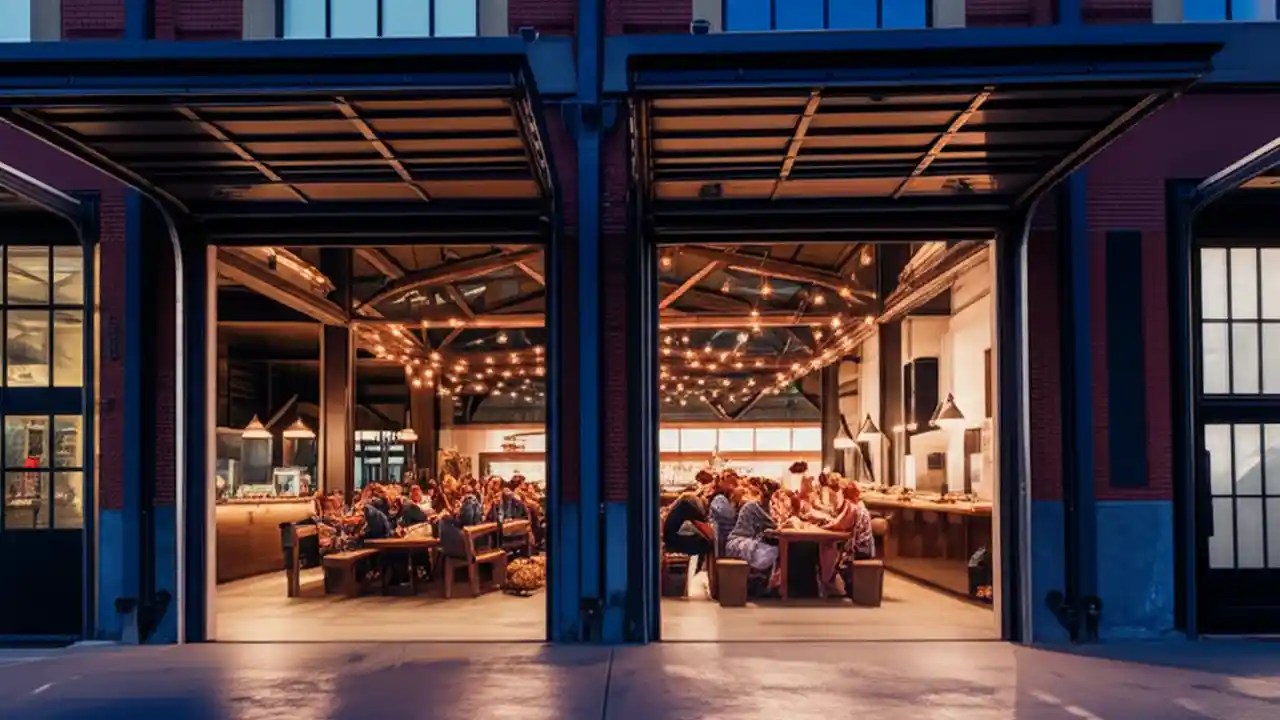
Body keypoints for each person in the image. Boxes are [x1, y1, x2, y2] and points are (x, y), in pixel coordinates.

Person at [819, 482, 876, 597]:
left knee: (836, 557)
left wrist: (823, 526)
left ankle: (842, 588)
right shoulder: (859, 505)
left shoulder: (853, 507)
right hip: (866, 546)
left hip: (860, 548)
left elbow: (840, 524)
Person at [724, 488, 779, 589]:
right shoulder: (752, 506)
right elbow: (774, 525)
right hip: (740, 540)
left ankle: (773, 583)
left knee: (779, 550)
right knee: (774, 552)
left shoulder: (768, 509)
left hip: (752, 540)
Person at [661, 491, 713, 572]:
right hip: (672, 541)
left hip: (669, 539)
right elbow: (702, 525)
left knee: (702, 540)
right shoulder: (689, 508)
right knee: (706, 544)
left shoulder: (682, 506)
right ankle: (700, 570)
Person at [707, 472, 740, 557]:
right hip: (723, 542)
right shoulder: (719, 499)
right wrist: (734, 502)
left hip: (725, 540)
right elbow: (729, 515)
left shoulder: (723, 499)